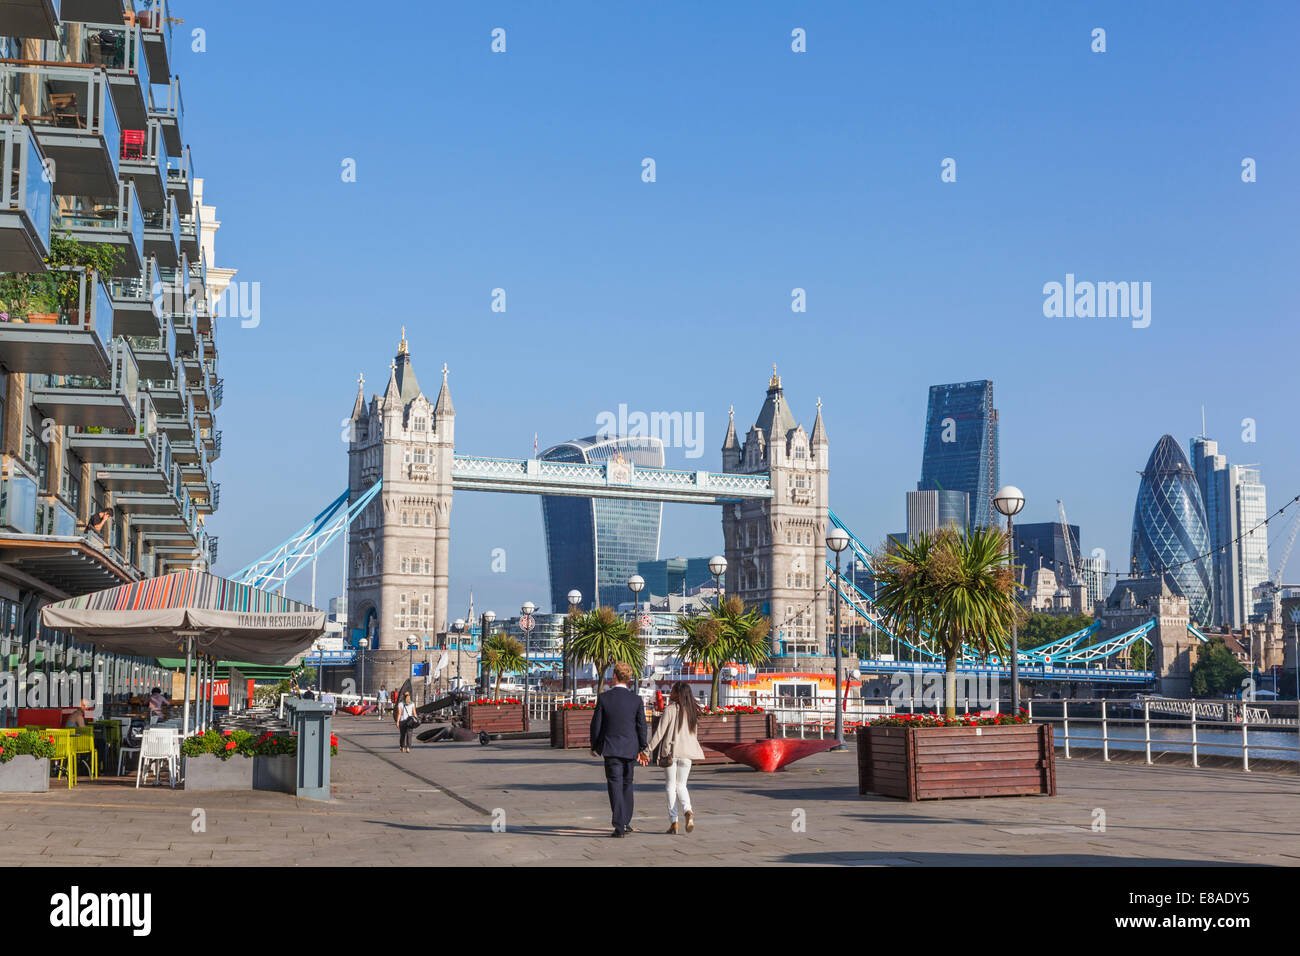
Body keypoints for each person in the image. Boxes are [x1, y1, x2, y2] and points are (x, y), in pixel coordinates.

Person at [589, 662, 648, 838]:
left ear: (614, 676)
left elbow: (596, 725)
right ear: (629, 678)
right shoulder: (636, 700)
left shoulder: (604, 698)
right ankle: (625, 820)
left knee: (614, 784)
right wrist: (642, 747)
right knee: (627, 784)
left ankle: (619, 825)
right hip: (630, 748)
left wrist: (595, 745)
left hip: (612, 748)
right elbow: (641, 726)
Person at [642, 681, 706, 834]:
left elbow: (659, 733)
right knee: (682, 785)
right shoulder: (692, 711)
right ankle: (688, 811)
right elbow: (694, 734)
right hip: (688, 754)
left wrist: (647, 750)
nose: (670, 693)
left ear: (677, 693)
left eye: (672, 691)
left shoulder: (670, 710)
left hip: (671, 752)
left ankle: (674, 822)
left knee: (671, 786)